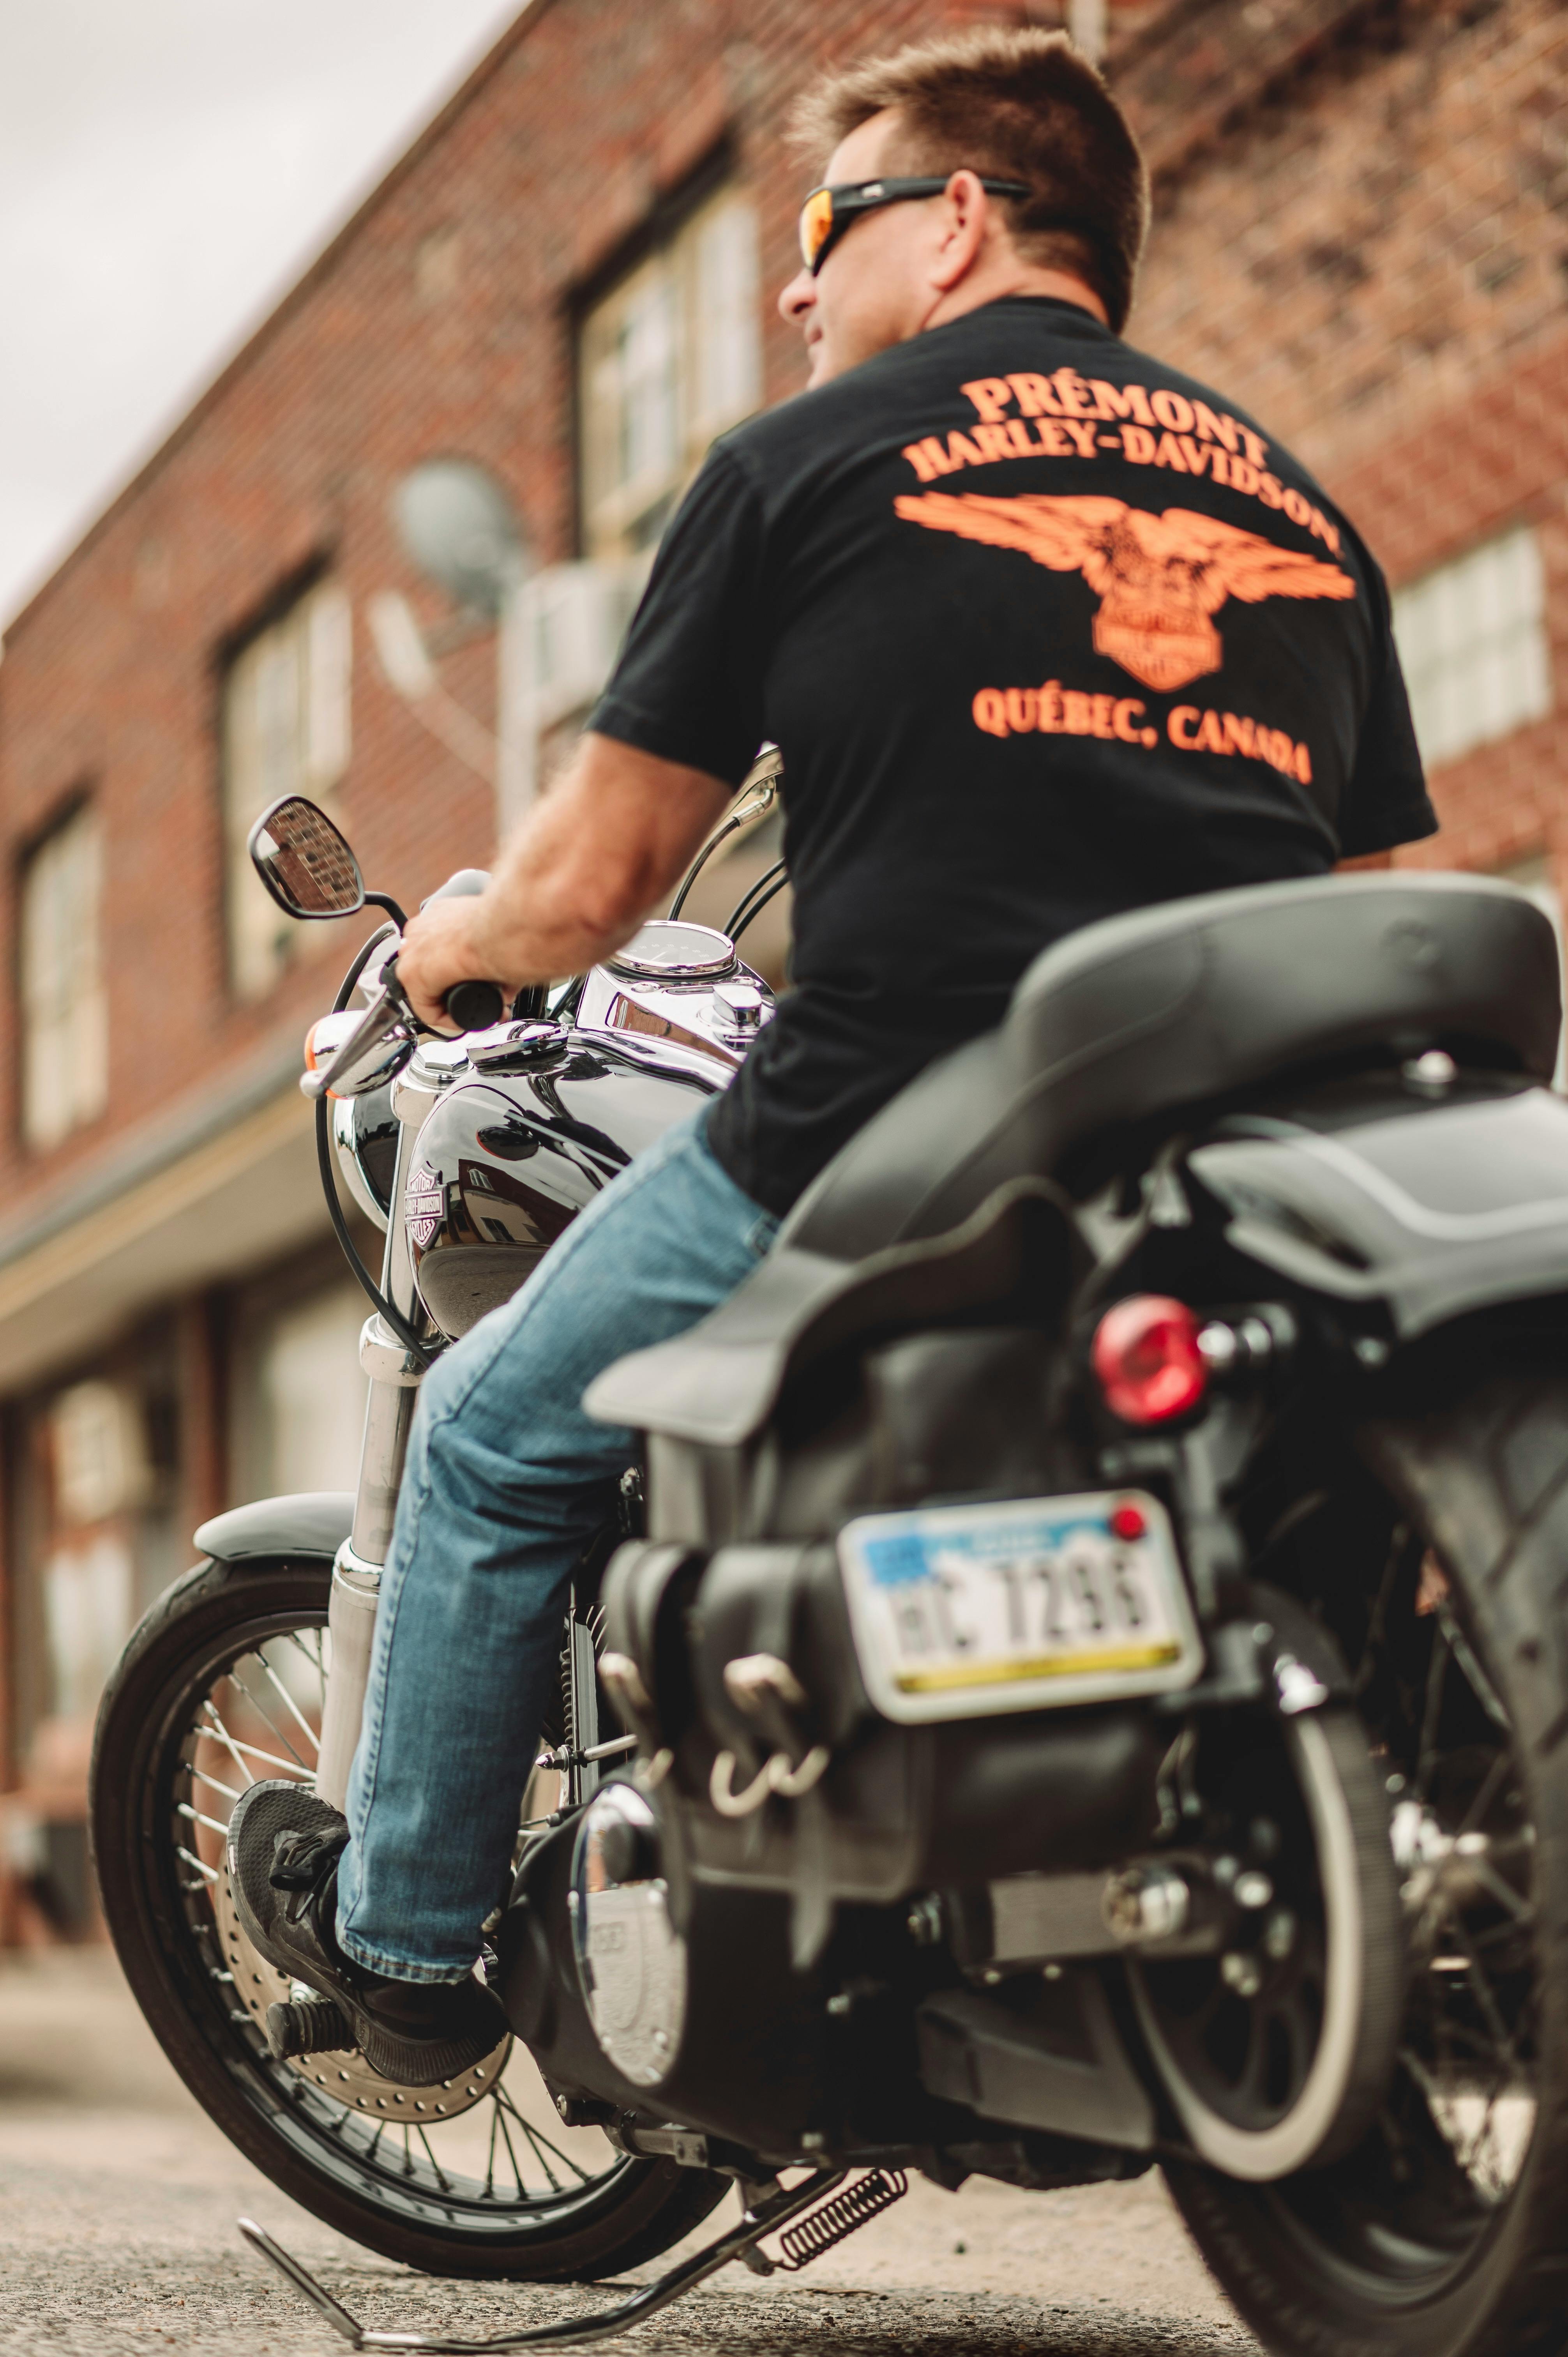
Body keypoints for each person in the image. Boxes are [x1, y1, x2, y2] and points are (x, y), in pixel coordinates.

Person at [230, 23, 1436, 2080]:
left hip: (903, 1119)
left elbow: (599, 877)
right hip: (1254, 1128)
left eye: (822, 227)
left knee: (507, 1422)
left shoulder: (804, 462)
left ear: (955, 220)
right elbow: (1369, 866)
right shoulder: (1284, 494)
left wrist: (454, 950)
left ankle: (411, 1960)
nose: (792, 284)